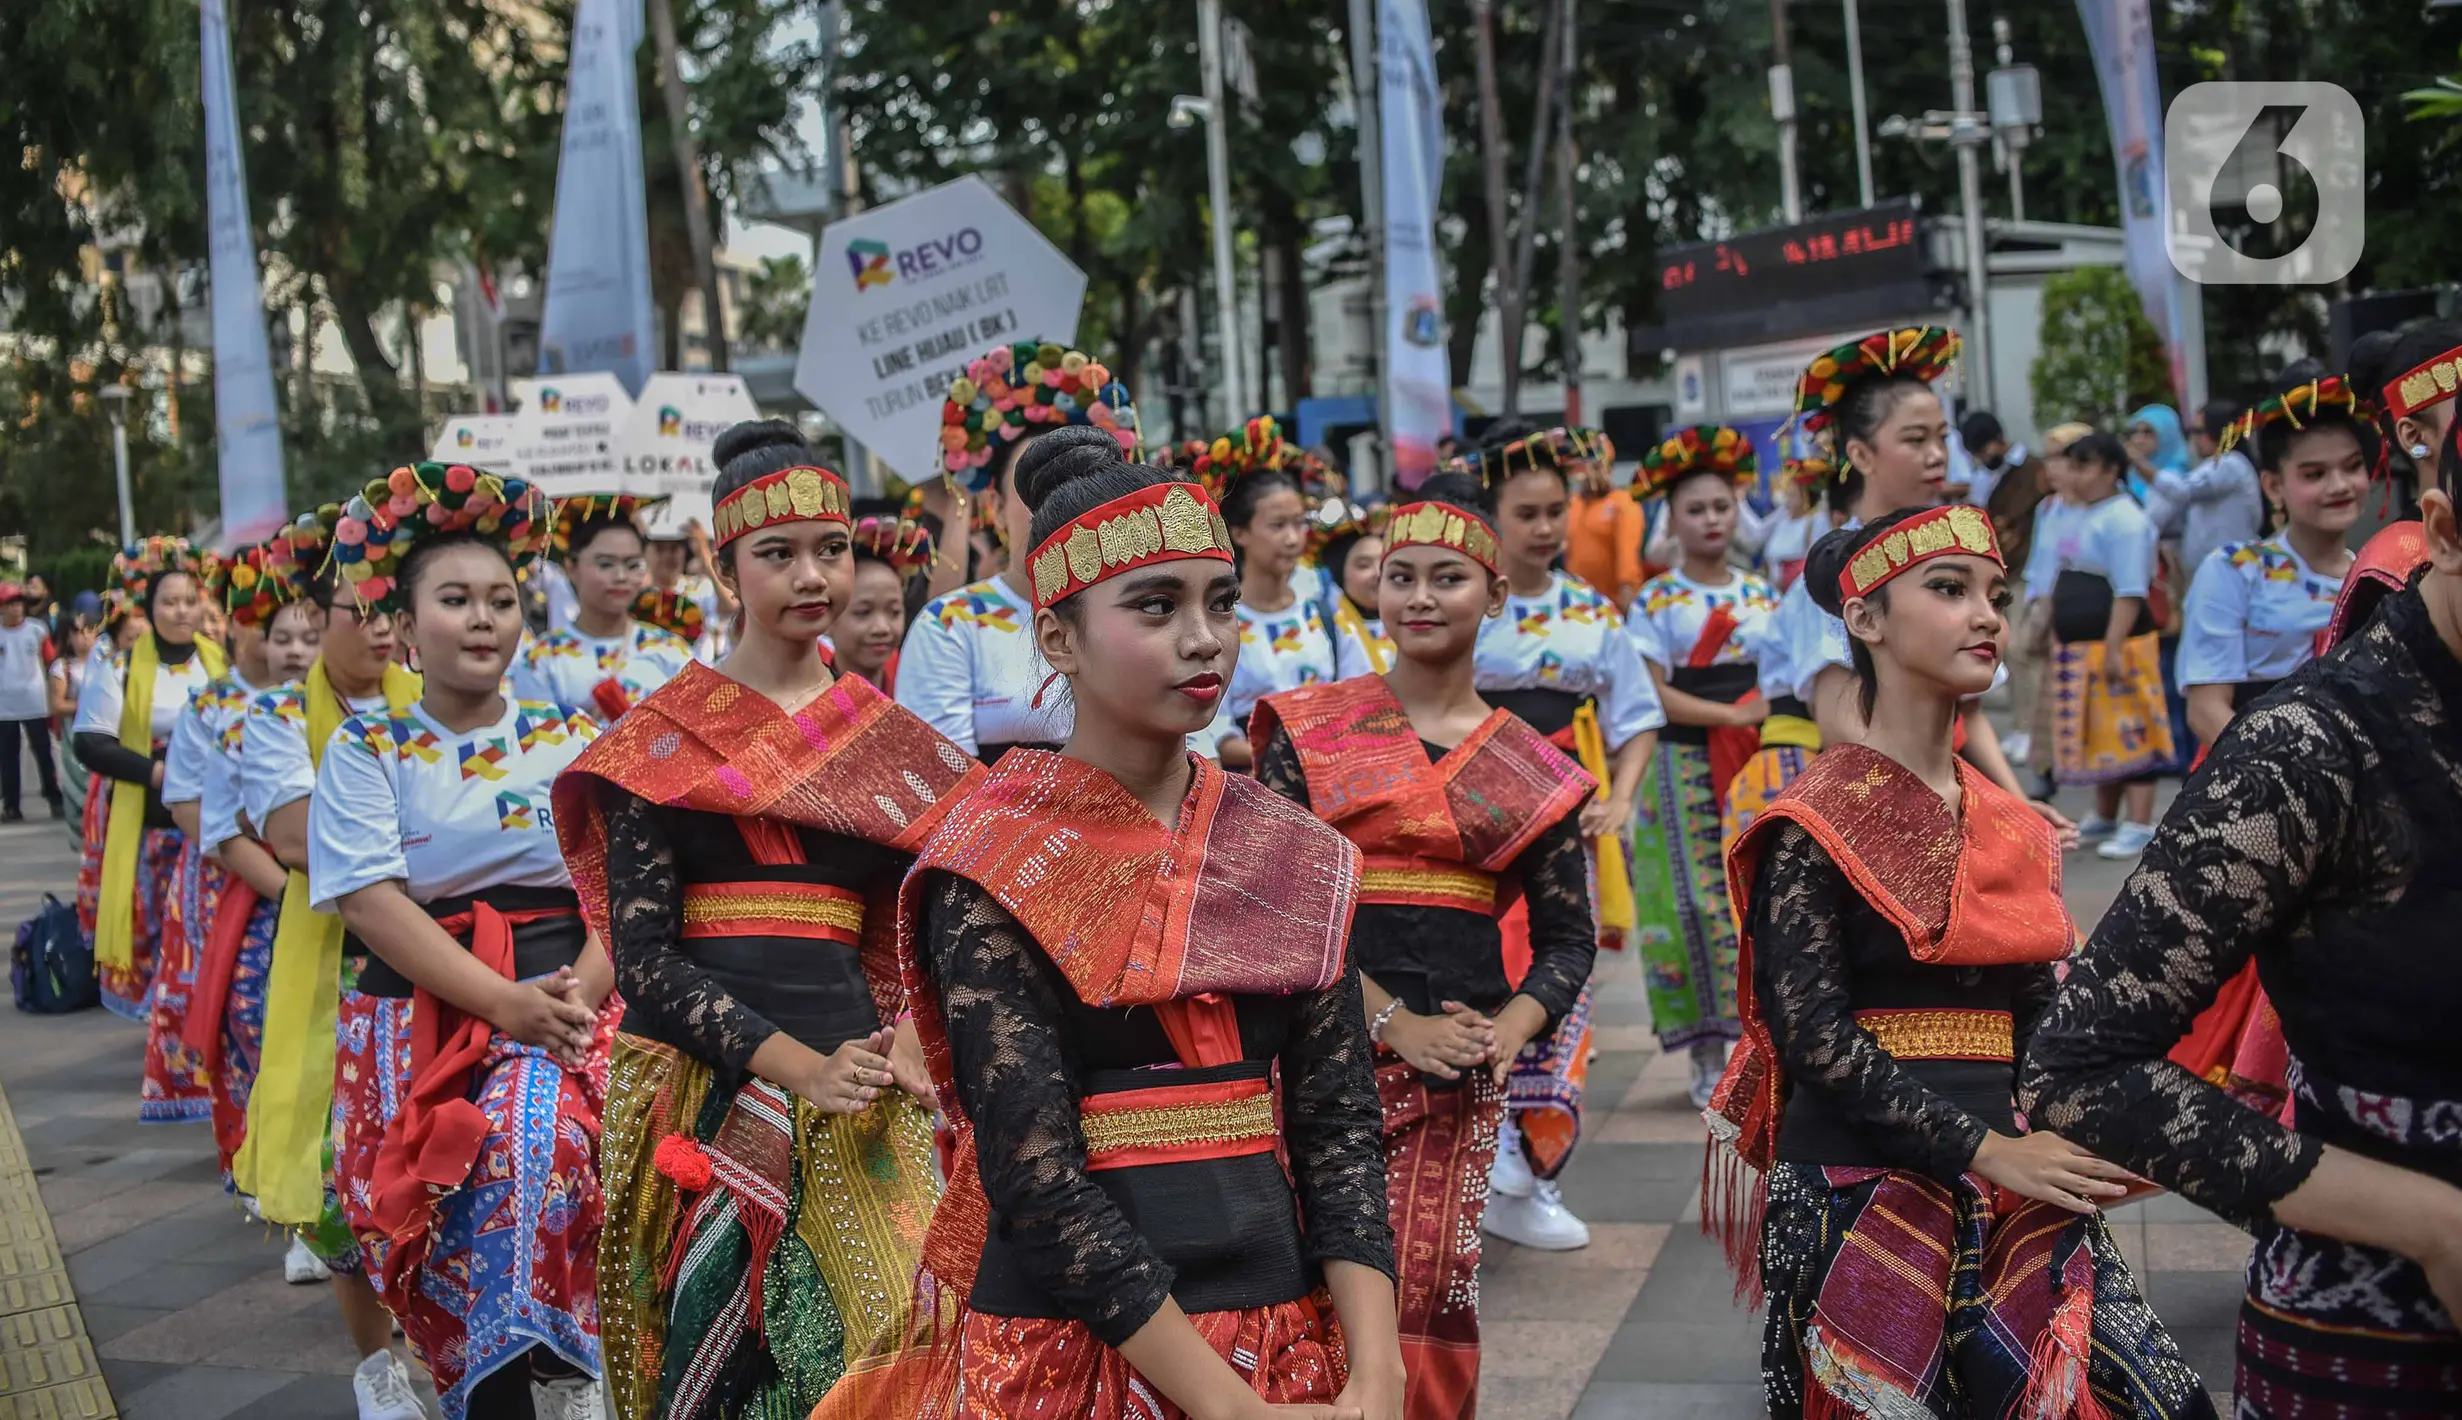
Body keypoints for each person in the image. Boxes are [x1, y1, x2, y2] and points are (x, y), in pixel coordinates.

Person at [861, 434, 1404, 1420]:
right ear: (1058, 639)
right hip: (1070, 1350)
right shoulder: (993, 860)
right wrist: (1226, 1406)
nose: (1203, 638)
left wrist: (1378, 1370)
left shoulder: (1289, 847)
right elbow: (1036, 1182)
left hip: (1288, 1327)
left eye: (1220, 602)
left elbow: (1338, 1126)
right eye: (1154, 605)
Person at [1709, 506, 2215, 1420]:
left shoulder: (2006, 819)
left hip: (2015, 1172)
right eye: (1948, 591)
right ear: (1864, 619)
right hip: (1859, 1180)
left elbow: (2035, 1015)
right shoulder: (1814, 823)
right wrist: (1991, 1151)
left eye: (1995, 595)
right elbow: (1814, 1041)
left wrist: (2093, 1132)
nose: (1986, 616)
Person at [2018, 414, 2462, 1420]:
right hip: (2374, 1342)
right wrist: (2433, 1223)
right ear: (2438, 528)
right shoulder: (2308, 751)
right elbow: (2074, 1069)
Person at [555, 423, 975, 1420]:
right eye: (775, 553)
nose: (809, 573)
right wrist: (798, 1067)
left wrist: (914, 1032)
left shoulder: (884, 743)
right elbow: (644, 960)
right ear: (722, 561)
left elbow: (933, 924)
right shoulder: (660, 738)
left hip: (861, 1077)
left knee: (899, 1330)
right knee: (702, 1356)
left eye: (828, 548)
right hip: (695, 1079)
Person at [1252, 482, 1594, 1417]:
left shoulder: (1532, 764)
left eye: (1447, 578)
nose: (1420, 597)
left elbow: (1569, 942)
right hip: (1313, 1055)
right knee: (1302, 1276)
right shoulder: (1311, 730)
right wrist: (1393, 1024)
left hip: (1454, 1072)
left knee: (1426, 1292)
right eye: (1400, 575)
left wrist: (1512, 1033)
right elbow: (1282, 908)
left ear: (1496, 596)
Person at [305, 463, 608, 1420]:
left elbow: (618, 890)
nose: (483, 619)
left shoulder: (572, 737)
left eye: (500, 600)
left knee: (531, 1151)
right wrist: (502, 1000)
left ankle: (535, 1381)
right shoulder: (368, 749)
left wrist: (577, 996)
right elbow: (367, 901)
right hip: (418, 1013)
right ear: (400, 623)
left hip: (564, 1006)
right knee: (430, 1219)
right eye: (455, 599)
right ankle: (501, 1383)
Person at [236, 537, 428, 1420]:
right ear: (318, 619)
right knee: (340, 1181)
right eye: (365, 613)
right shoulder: (277, 718)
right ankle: (377, 1370)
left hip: (435, 962)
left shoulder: (430, 706)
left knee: (442, 1164)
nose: (386, 631)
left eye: (396, 610)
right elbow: (291, 836)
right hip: (332, 971)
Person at [1455, 423, 1658, 1252]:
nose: (1544, 528)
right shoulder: (1464, 598)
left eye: (1555, 511)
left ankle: (1538, 1175)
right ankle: (1488, 1153)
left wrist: (1623, 799)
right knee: (1480, 977)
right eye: (1526, 512)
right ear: (1491, 517)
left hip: (1566, 820)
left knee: (1561, 987)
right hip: (1473, 825)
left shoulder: (1590, 610)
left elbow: (1638, 717)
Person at [1624, 427, 1780, 1108]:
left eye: (1721, 506)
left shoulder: (1761, 593)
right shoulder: (1656, 601)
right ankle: (1706, 1050)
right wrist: (1729, 718)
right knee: (1687, 900)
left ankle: (1762, 1042)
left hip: (1755, 760)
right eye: (1696, 509)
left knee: (1755, 899)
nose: (1711, 519)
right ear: (1673, 521)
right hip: (1681, 759)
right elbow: (1651, 688)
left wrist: (1756, 721)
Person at [897, 339, 1141, 762]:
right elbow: (943, 784)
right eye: (1037, 494)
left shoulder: (1147, 609)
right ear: (993, 508)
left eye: (1082, 488)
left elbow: (1190, 757)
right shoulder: (949, 627)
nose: (1064, 511)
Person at [181, 529, 324, 1239]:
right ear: (258, 641)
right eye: (284, 637)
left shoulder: (380, 716)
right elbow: (222, 832)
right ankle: (287, 1212)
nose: (297, 649)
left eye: (311, 635)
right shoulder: (247, 720)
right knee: (268, 1053)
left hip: (355, 915)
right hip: (273, 911)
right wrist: (292, 892)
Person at [74, 538, 226, 1019]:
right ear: (149, 606)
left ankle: (207, 1020)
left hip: (215, 819)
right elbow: (91, 743)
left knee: (213, 926)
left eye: (190, 600)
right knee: (160, 927)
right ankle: (165, 1023)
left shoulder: (219, 661)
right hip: (153, 822)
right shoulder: (119, 666)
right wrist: (159, 772)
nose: (182, 612)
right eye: (169, 601)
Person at [2177, 376, 2368, 753]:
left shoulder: (2382, 573)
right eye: (2314, 475)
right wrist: (2291, 778)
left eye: (2352, 466)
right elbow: (2205, 710)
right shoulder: (2234, 570)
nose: (2340, 485)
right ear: (2273, 487)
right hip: (2255, 777)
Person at [2030, 430, 2174, 857]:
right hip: (2080, 643)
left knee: (2130, 727)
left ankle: (2139, 821)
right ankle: (2107, 813)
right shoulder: (2075, 512)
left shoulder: (2126, 520)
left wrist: (2113, 646)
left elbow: (2131, 590)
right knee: (2099, 733)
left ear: (2111, 471)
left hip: (2118, 642)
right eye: (2070, 465)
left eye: (2082, 466)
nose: (2072, 475)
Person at [1205, 418, 1365, 768]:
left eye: (1300, 523)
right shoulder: (1216, 617)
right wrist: (1278, 760)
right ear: (1240, 533)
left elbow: (1359, 690)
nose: (1294, 539)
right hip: (1250, 783)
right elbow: (1210, 726)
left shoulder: (1324, 601)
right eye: (1278, 526)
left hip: (1329, 775)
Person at [509, 494, 695, 724]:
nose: (621, 577)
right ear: (571, 567)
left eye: (632, 565)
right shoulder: (542, 660)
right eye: (606, 564)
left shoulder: (671, 651)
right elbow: (535, 743)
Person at [835, 513, 934, 691]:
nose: (882, 628)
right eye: (863, 612)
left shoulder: (919, 692)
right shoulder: (803, 702)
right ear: (828, 616)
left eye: (894, 612)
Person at [0, 581, 63, 821]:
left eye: (18, 604)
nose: (16, 609)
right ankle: (11, 806)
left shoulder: (37, 630)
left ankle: (54, 798)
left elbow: (51, 661)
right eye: (9, 605)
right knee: (8, 758)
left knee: (43, 753)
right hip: (4, 707)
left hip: (35, 702)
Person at [1561, 429, 1643, 610]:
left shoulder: (1623, 502)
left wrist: (1627, 603)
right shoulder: (1571, 504)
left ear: (1609, 467)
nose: (1591, 472)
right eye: (1584, 465)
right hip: (1576, 605)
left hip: (1612, 607)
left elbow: (1627, 559)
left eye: (1597, 465)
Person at [1314, 500, 1394, 673]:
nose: (1378, 573)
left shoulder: (1408, 621)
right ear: (1339, 574)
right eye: (1364, 565)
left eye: (1384, 562)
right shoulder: (1321, 628)